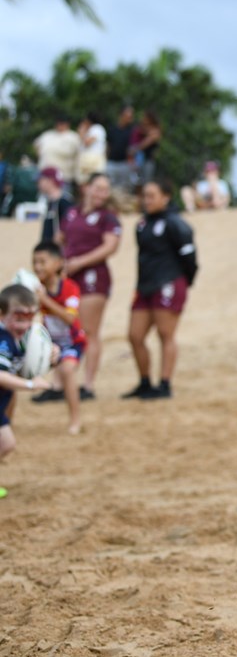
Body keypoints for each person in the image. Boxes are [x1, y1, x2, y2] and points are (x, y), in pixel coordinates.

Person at [123, 179, 198, 401]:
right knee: (135, 335)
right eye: (144, 196)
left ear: (165, 197)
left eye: (151, 196)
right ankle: (145, 382)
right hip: (145, 285)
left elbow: (189, 257)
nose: (146, 200)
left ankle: (165, 384)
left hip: (168, 283)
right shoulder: (142, 224)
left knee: (165, 334)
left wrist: (183, 281)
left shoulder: (175, 223)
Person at [59, 172, 122, 400]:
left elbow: (110, 247)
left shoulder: (108, 217)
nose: (101, 194)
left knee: (89, 330)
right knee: (65, 329)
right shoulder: (72, 212)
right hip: (69, 276)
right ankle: (60, 383)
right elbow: (60, 238)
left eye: (105, 190)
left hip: (94, 277)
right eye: (98, 188)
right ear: (86, 188)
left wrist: (80, 262)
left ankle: (88, 384)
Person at [0, 284, 55, 494]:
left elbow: (23, 369)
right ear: (1, 314)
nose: (25, 325)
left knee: (6, 444)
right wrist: (31, 385)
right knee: (6, 442)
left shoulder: (21, 338)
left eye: (30, 318)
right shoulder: (3, 340)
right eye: (19, 318)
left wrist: (49, 358)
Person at [29, 242, 87, 435]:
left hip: (72, 342)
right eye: (35, 262)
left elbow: (70, 318)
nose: (38, 267)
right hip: (49, 344)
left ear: (58, 263)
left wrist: (44, 300)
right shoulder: (35, 289)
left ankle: (75, 420)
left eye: (42, 262)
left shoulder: (70, 287)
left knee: (67, 370)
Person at [33, 113, 81, 193]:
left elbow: (78, 155)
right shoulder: (48, 135)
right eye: (58, 123)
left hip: (63, 177)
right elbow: (37, 145)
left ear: (67, 124)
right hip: (44, 176)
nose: (60, 125)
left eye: (62, 123)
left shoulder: (73, 137)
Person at [37, 167, 72, 245]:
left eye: (40, 180)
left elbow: (69, 227)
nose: (38, 183)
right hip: (48, 249)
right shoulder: (51, 202)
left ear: (50, 181)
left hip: (57, 249)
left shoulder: (64, 202)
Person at [106, 104, 137, 192]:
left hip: (125, 163)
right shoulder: (112, 129)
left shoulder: (132, 130)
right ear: (121, 115)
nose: (130, 118)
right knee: (109, 187)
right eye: (128, 115)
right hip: (112, 162)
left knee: (124, 189)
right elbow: (108, 146)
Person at [130, 110, 162, 186]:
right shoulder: (142, 129)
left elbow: (145, 144)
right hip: (139, 160)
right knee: (137, 182)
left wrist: (134, 150)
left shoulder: (155, 130)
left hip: (148, 161)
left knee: (146, 182)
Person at [76, 111, 107, 184]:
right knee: (85, 182)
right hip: (89, 159)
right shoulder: (92, 129)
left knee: (92, 181)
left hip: (93, 160)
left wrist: (82, 131)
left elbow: (87, 142)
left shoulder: (97, 128)